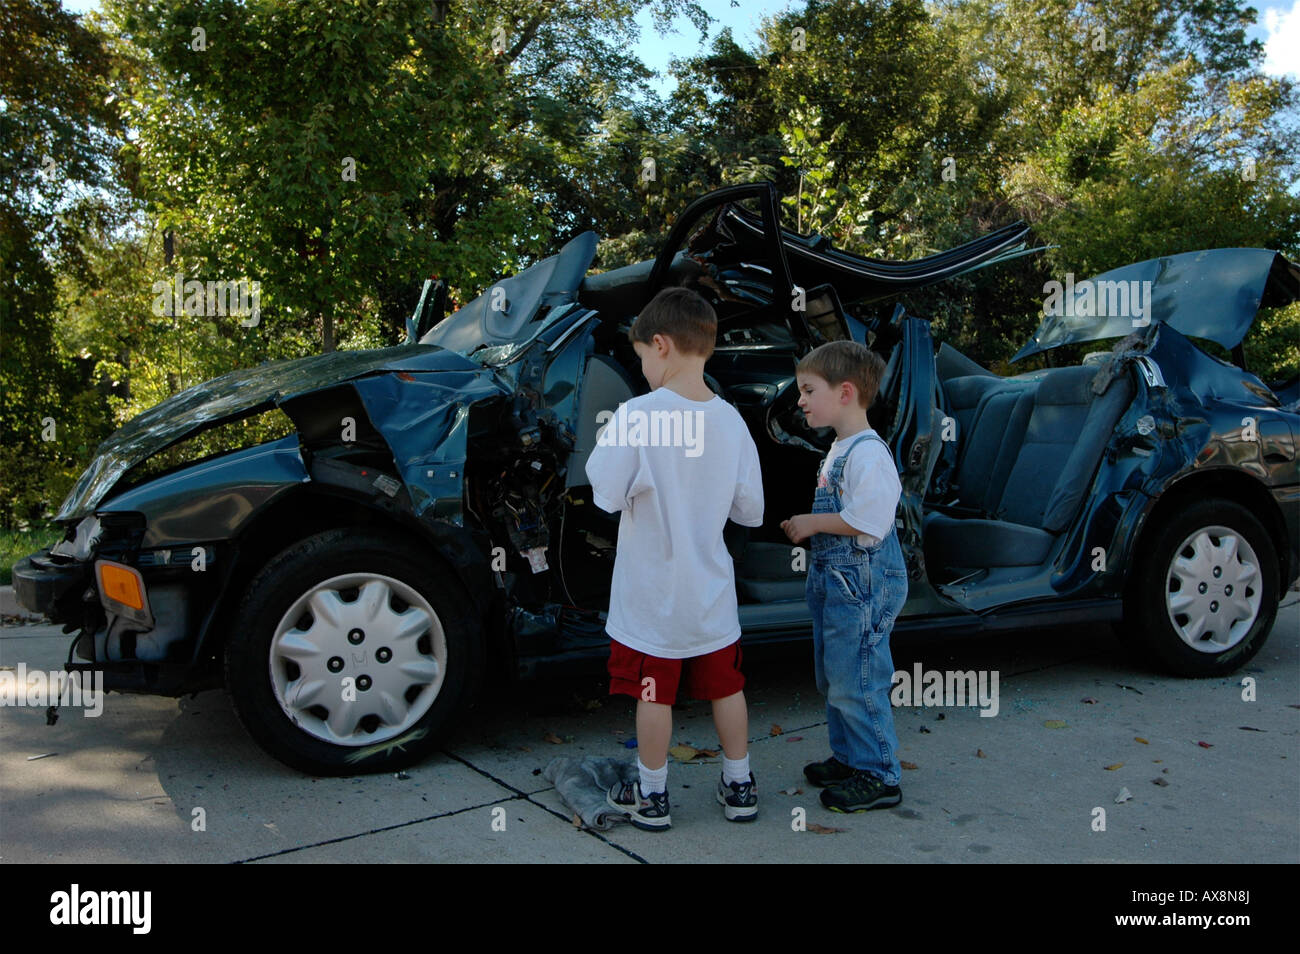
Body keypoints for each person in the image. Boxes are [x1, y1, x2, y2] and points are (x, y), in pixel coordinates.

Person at [585, 286, 765, 831]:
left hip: (651, 601)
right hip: (710, 598)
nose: (641, 367)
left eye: (640, 356)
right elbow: (751, 510)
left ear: (659, 344)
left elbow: (604, 494)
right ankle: (739, 785)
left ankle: (654, 795)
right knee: (727, 688)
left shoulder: (637, 417)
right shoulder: (732, 421)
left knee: (652, 694)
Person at [781, 340, 908, 812]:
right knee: (834, 675)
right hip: (838, 582)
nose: (801, 400)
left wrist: (813, 523)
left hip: (864, 585)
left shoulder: (868, 454)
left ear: (846, 393)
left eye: (809, 390)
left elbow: (869, 521)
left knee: (858, 678)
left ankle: (879, 774)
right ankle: (850, 757)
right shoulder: (839, 448)